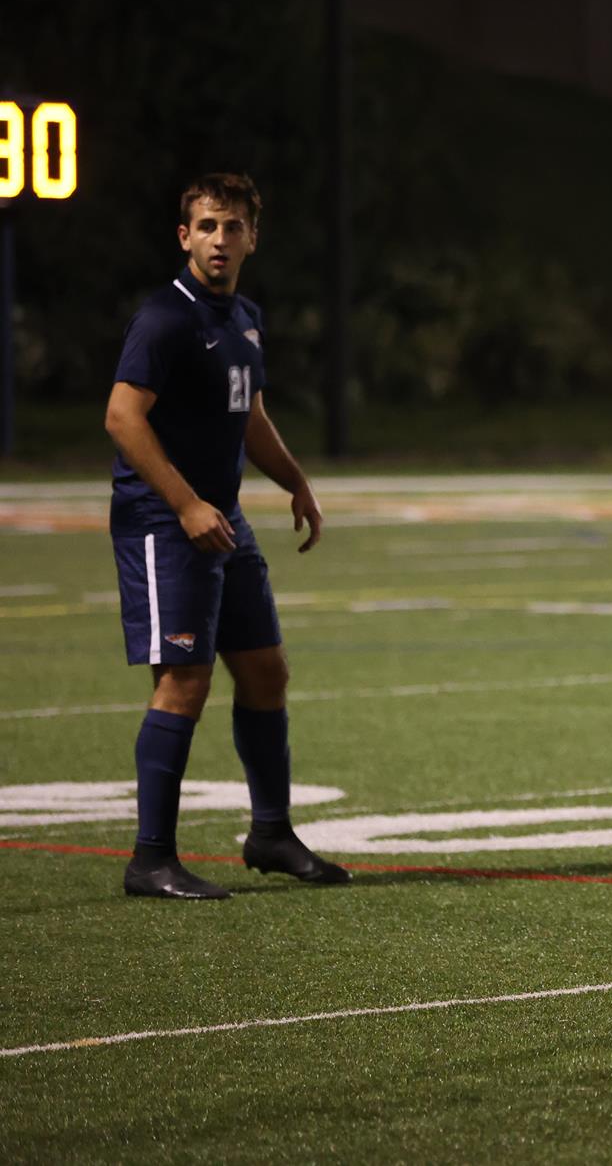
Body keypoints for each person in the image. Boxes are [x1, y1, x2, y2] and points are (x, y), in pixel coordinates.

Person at [104, 173, 350, 899]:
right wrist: (184, 505)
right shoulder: (165, 318)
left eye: (233, 226)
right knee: (184, 681)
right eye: (207, 226)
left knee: (266, 670)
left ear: (252, 238)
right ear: (185, 236)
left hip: (224, 520)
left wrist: (295, 480)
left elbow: (250, 417)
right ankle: (151, 859)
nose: (220, 239)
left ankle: (270, 832)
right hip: (166, 521)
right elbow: (122, 418)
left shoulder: (243, 318)